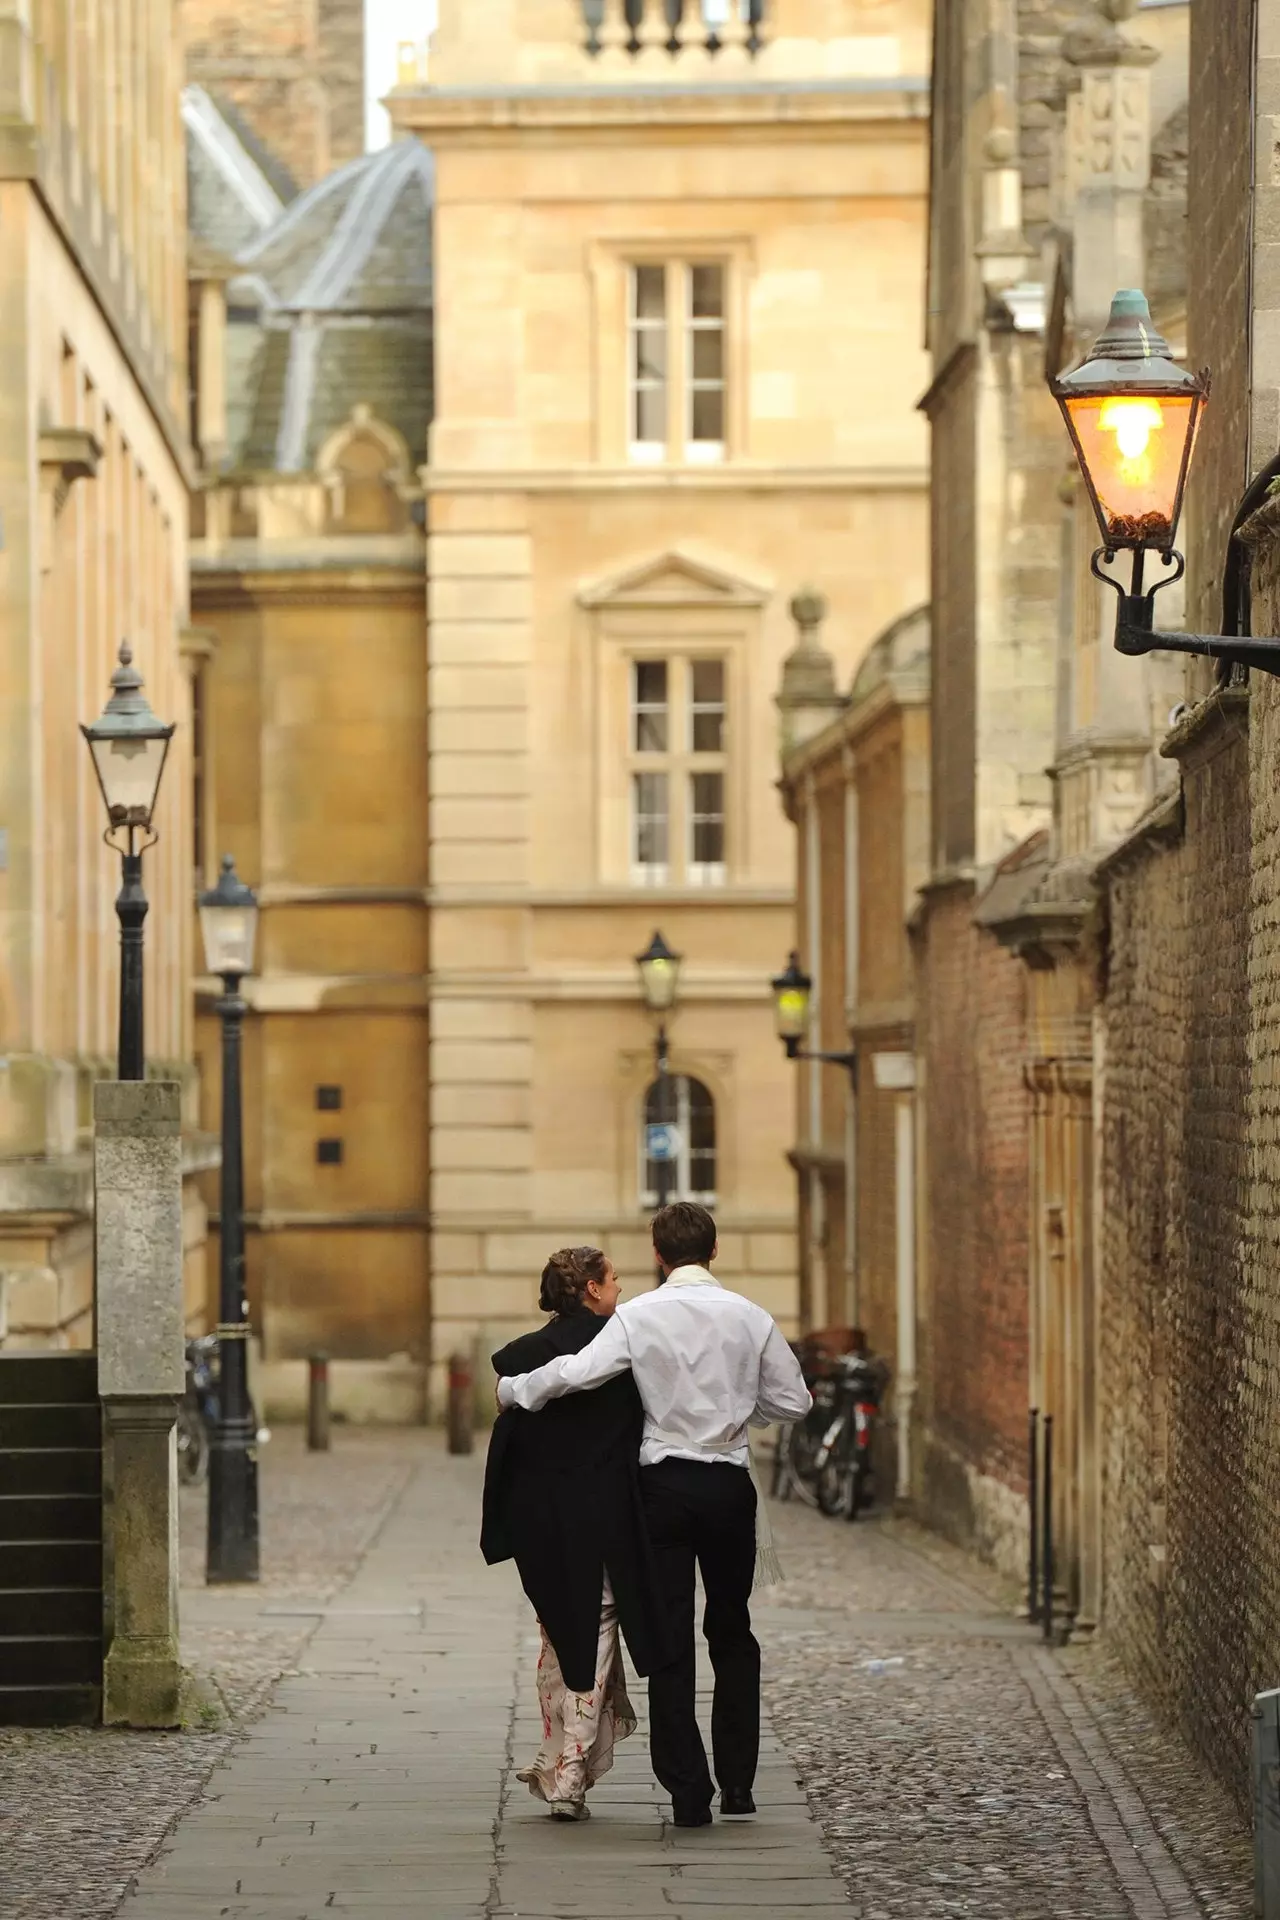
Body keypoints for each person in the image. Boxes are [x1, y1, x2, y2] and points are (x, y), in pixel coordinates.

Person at [496, 1202, 812, 1829]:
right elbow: (794, 1401)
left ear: (659, 1256)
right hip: (727, 1486)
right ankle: (739, 1783)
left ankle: (688, 1792)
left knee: (668, 1638)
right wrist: (739, 1416)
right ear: (714, 1252)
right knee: (731, 1630)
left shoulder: (639, 1315)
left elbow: (578, 1374)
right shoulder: (751, 1317)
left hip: (662, 1489)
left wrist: (513, 1389)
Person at [481, 1245, 664, 1822]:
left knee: (559, 1636)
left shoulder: (523, 1360)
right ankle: (570, 1772)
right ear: (589, 1288)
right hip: (602, 1513)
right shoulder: (619, 1354)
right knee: (598, 1630)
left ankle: (554, 1756)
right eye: (612, 1279)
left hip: (541, 1521)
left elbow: (504, 1453)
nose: (619, 1289)